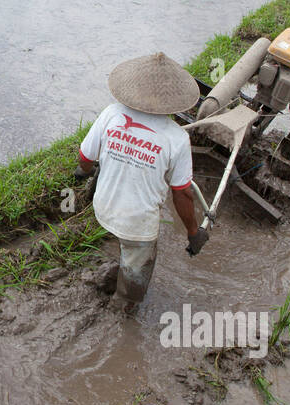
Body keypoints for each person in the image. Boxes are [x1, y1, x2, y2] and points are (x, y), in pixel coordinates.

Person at [75, 52, 209, 309]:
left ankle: (113, 271)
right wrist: (194, 233)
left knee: (125, 239)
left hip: (104, 207)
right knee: (134, 283)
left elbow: (85, 157)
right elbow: (182, 193)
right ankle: (123, 311)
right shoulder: (177, 138)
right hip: (138, 225)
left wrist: (85, 171)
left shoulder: (112, 114)